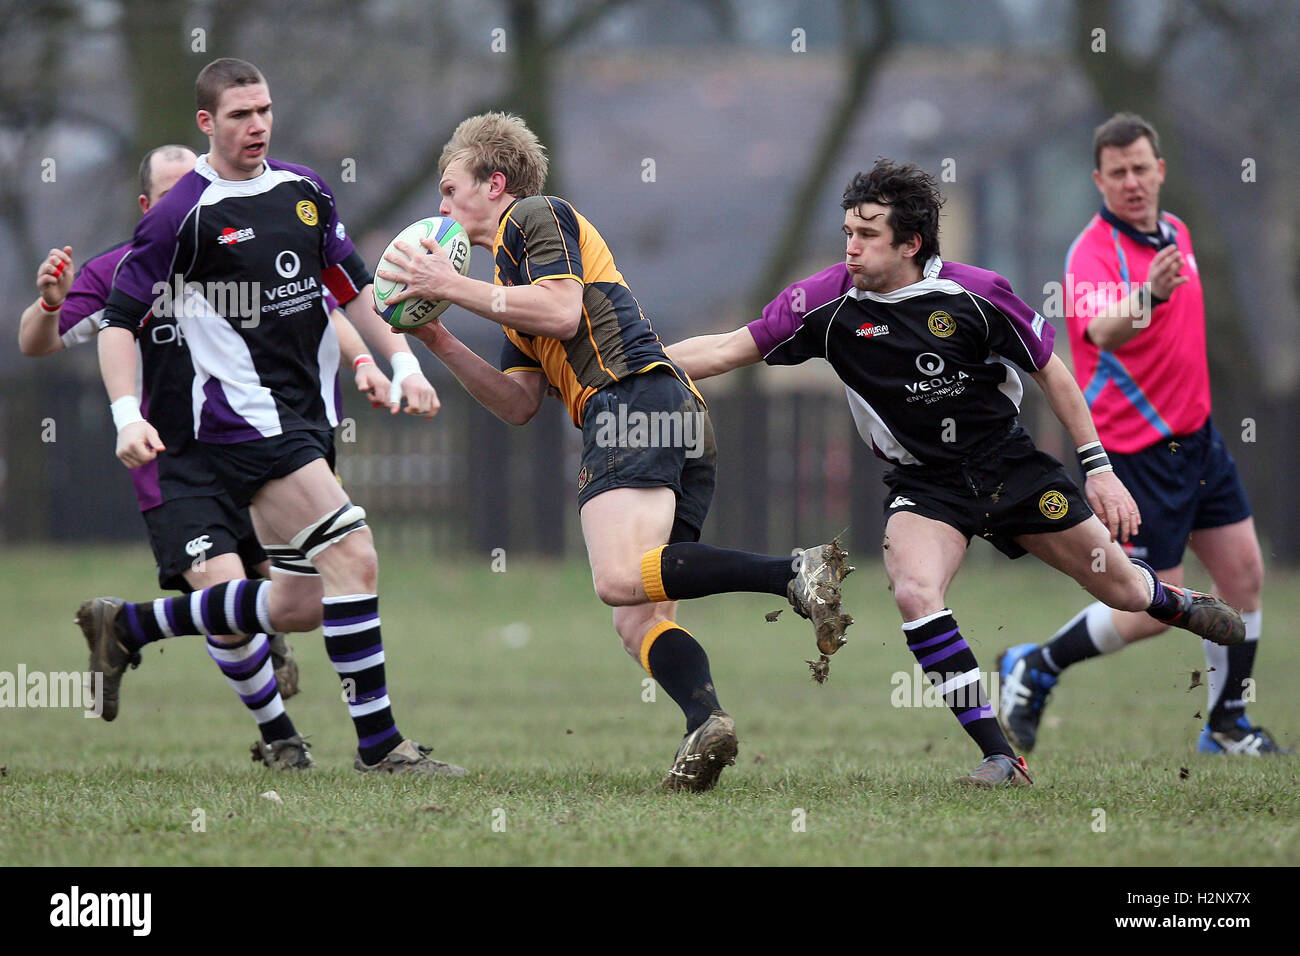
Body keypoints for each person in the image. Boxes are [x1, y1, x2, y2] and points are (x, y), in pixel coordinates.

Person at [665, 160, 1245, 787]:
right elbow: (726, 348)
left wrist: (1098, 470)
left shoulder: (976, 293)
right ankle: (1003, 755)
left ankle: (1173, 602)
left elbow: (1053, 369)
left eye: (867, 235)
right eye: (847, 232)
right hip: (925, 485)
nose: (850, 248)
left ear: (911, 244)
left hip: (1009, 466)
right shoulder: (825, 303)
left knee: (1128, 595)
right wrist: (627, 372)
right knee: (915, 593)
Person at [379, 112, 854, 792]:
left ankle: (791, 571)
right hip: (674, 415)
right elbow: (518, 403)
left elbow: (565, 314)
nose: (442, 206)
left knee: (615, 580)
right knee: (638, 618)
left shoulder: (535, 217)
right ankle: (705, 724)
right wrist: (437, 338)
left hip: (631, 401)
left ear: (496, 182)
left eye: (450, 189)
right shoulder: (509, 277)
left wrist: (448, 286)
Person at [79, 58, 463, 776]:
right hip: (240, 424)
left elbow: (353, 290)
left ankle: (130, 624)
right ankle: (381, 747)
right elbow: (118, 321)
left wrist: (403, 364)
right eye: (238, 115)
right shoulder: (179, 214)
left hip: (309, 418)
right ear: (206, 124)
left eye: (264, 111)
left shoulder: (303, 190)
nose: (256, 125)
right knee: (355, 553)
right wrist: (126, 415)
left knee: (297, 604)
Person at [22, 144, 373, 769]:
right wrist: (51, 302)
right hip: (177, 466)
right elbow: (36, 343)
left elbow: (326, 304)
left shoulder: (249, 246)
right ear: (148, 208)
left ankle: (129, 624)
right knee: (233, 605)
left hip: (259, 445)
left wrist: (370, 360)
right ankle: (280, 737)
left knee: (297, 605)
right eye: (174, 194)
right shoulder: (120, 271)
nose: (195, 205)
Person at [997, 113, 1287, 756]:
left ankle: (1227, 725)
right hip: (1137, 451)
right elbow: (1102, 332)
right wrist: (1148, 295)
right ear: (1099, 180)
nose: (1132, 182)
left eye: (1141, 168)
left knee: (1242, 573)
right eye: (1118, 172)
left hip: (1199, 438)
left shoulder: (1177, 231)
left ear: (1160, 170)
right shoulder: (1093, 252)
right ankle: (1037, 664)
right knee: (1152, 606)